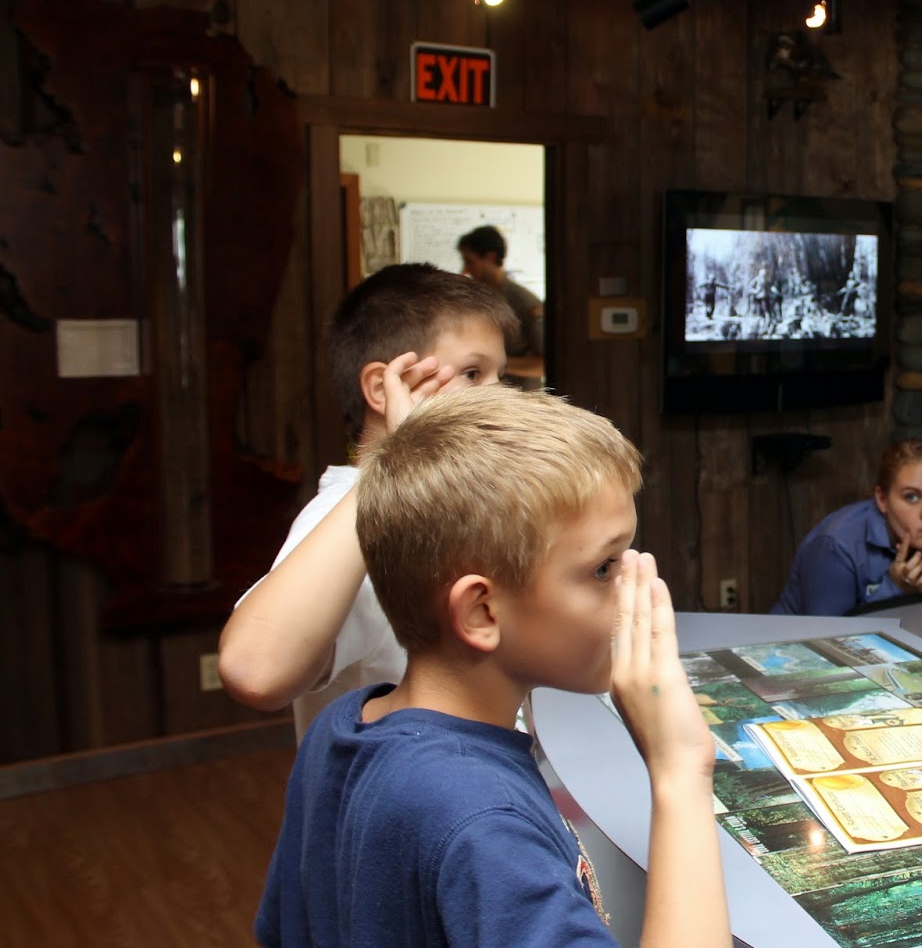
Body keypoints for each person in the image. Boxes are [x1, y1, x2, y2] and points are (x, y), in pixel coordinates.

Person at [255, 387, 729, 948]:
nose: (633, 582)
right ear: (480, 611)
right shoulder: (482, 824)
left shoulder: (342, 726)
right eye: (603, 567)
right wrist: (680, 772)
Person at [218, 263, 514, 737]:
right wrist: (397, 459)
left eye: (501, 374)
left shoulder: (453, 500)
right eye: (473, 373)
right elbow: (255, 671)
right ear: (384, 388)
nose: (498, 395)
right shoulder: (344, 517)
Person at [771, 440, 922, 615]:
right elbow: (829, 640)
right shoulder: (836, 543)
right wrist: (895, 589)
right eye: (912, 497)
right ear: (881, 498)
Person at [458, 224, 545, 385]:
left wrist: (491, 362)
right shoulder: (479, 298)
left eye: (469, 261)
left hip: (518, 401)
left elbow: (542, 365)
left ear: (490, 257)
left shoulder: (524, 302)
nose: (465, 270)